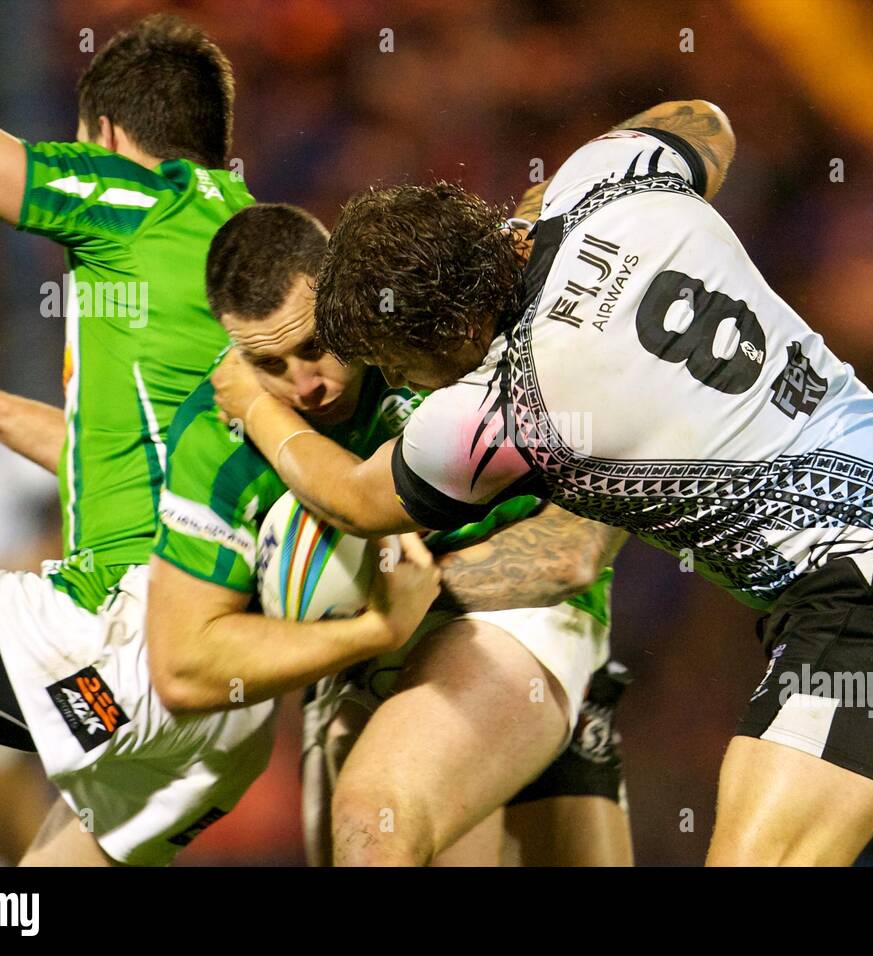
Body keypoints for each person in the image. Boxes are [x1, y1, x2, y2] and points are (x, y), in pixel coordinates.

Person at [212, 100, 873, 866]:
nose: (409, 385)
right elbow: (706, 120)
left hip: (870, 597)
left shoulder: (499, 410)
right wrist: (533, 219)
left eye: (404, 365)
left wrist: (254, 404)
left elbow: (355, 499)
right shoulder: (609, 181)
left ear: (457, 332)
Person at [0, 13, 313, 865]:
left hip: (122, 642)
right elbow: (177, 468)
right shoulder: (263, 252)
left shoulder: (138, 204)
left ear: (108, 138)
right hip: (223, 716)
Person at [164, 203, 631, 866]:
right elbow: (184, 664)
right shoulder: (212, 436)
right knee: (369, 836)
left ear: (343, 297)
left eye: (314, 346)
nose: (305, 385)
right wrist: (371, 631)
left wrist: (263, 410)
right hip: (361, 655)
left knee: (376, 824)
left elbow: (567, 551)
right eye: (268, 364)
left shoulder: (425, 317)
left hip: (520, 614)